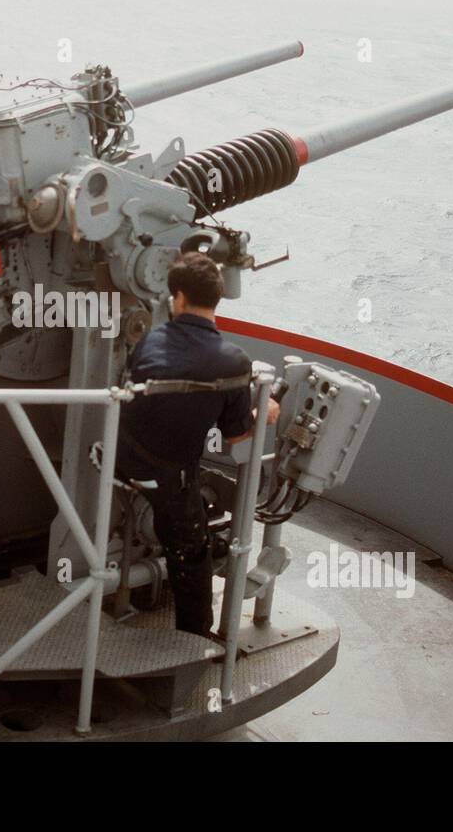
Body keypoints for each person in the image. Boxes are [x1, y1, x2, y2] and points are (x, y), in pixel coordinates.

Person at [115, 251, 280, 638]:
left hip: (120, 459)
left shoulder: (151, 341)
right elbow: (238, 435)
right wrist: (266, 411)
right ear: (216, 299)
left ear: (179, 298)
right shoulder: (233, 361)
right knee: (192, 553)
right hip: (168, 478)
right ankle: (194, 638)